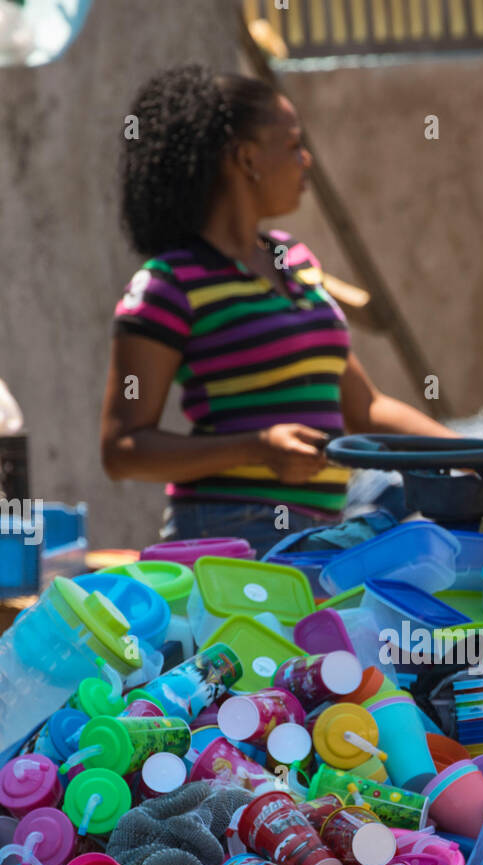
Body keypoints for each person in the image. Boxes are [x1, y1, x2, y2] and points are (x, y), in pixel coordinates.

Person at [100, 64, 458, 557]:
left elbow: (366, 407)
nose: (306, 159)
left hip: (319, 531)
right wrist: (258, 446)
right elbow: (122, 449)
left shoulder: (294, 260)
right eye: (293, 145)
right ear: (246, 158)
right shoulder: (167, 285)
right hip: (230, 537)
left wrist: (480, 458)